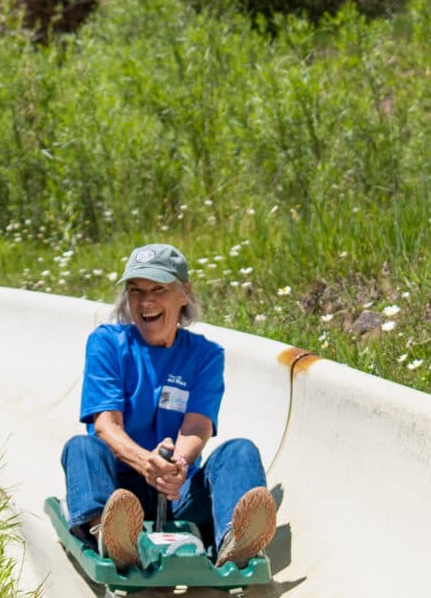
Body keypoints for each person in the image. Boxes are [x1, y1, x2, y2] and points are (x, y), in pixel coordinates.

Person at [62, 242, 277, 571]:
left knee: (240, 451)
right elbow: (106, 426)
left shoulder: (206, 355)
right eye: (136, 290)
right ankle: (106, 532)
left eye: (158, 289)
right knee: (81, 447)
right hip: (119, 490)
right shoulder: (107, 343)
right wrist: (146, 463)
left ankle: (236, 539)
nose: (145, 301)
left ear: (184, 294)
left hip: (177, 491)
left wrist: (176, 463)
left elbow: (197, 426)